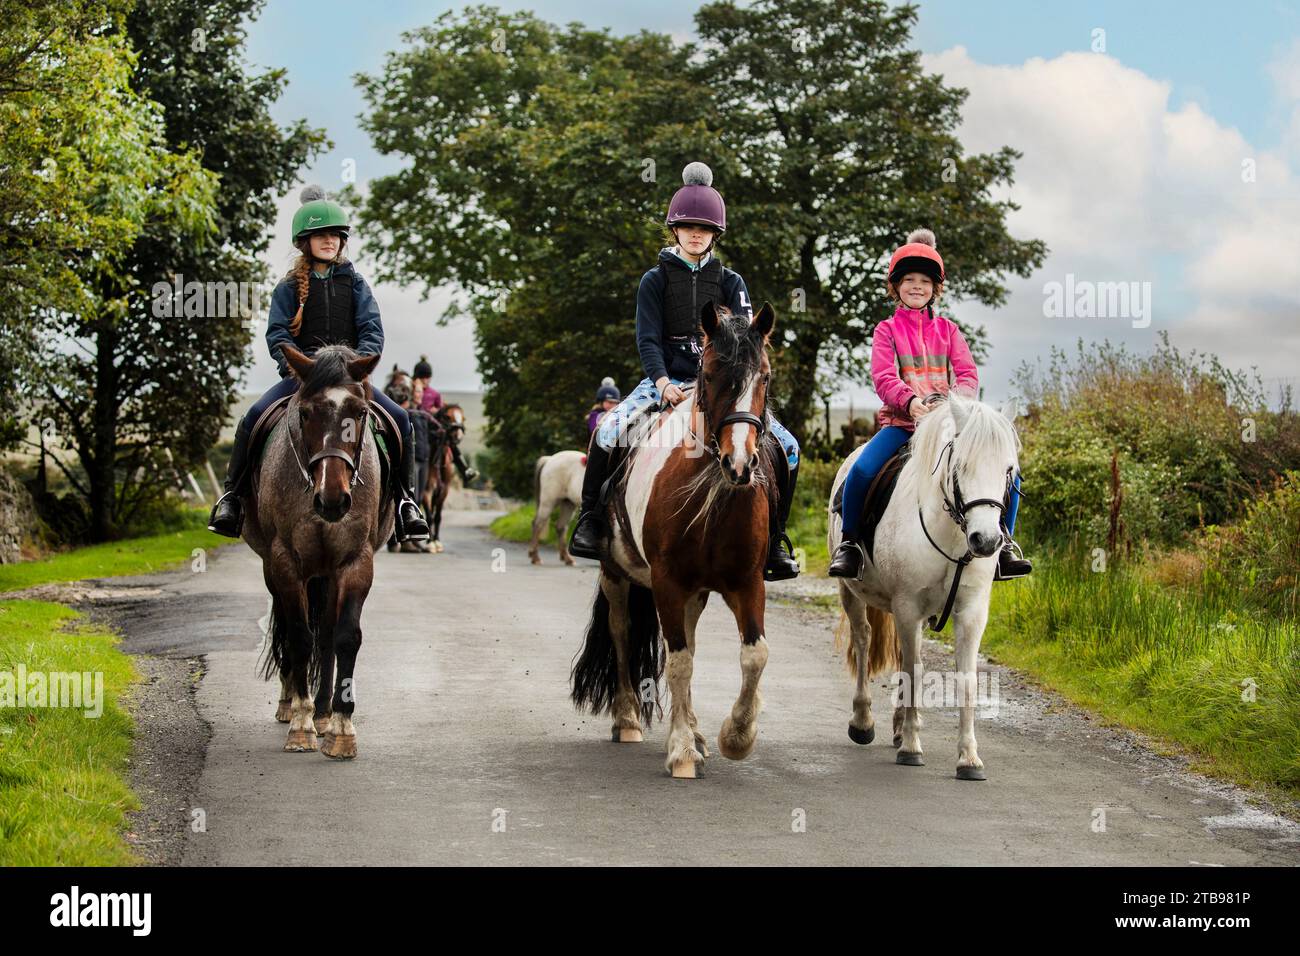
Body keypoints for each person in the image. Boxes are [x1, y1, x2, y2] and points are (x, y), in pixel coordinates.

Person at [568, 162, 801, 581]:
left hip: (721, 387)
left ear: (715, 234)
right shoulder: (654, 281)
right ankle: (591, 522)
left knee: (789, 447)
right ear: (675, 230)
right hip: (666, 380)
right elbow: (647, 340)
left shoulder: (732, 282)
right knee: (606, 431)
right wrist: (662, 385)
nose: (697, 234)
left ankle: (776, 538)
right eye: (689, 227)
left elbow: (747, 343)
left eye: (705, 228)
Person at [207, 186, 429, 541]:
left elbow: (372, 331)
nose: (329, 241)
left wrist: (352, 368)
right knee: (252, 418)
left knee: (401, 420)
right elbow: (278, 336)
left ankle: (407, 503)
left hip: (349, 379)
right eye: (321, 235)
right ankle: (232, 499)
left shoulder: (356, 285)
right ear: (304, 242)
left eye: (335, 236)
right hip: (304, 379)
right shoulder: (287, 288)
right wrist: (300, 369)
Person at [827, 228, 1030, 581]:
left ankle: (1005, 547)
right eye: (908, 280)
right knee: (861, 472)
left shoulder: (950, 331)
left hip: (948, 425)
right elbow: (883, 376)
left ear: (935, 289)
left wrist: (954, 403)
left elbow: (967, 374)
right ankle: (850, 545)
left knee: (1008, 475)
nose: (916, 286)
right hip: (901, 425)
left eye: (924, 281)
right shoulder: (885, 330)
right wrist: (911, 402)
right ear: (896, 286)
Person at [412, 355, 478, 484]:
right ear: (416, 377)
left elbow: (440, 409)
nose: (425, 380)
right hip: (416, 425)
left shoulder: (435, 394)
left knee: (449, 442)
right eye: (422, 377)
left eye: (427, 377)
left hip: (431, 427)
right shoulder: (414, 390)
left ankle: (464, 469)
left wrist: (436, 411)